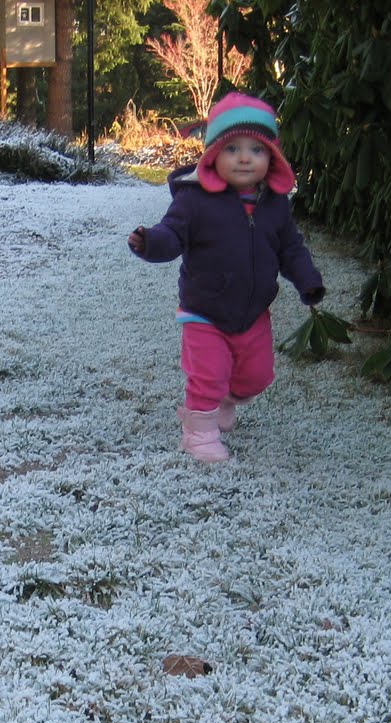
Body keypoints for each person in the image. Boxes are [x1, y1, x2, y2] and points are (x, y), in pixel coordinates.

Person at [127, 92, 326, 462]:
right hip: (204, 310)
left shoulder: (273, 204)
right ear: (213, 154)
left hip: (252, 311)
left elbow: (290, 248)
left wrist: (307, 279)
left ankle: (222, 402)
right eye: (232, 148)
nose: (245, 157)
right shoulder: (194, 201)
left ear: (273, 156)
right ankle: (198, 433)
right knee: (209, 373)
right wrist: (149, 242)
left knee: (257, 377)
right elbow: (171, 235)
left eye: (257, 149)